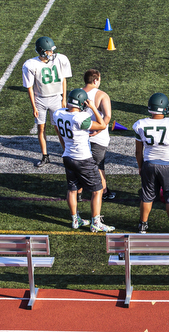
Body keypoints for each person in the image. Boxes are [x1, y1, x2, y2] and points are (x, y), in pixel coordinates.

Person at [53, 87, 113, 232]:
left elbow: (58, 131)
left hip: (68, 156)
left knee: (72, 189)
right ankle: (96, 222)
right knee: (98, 189)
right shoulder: (81, 118)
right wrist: (93, 108)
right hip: (83, 158)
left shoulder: (58, 113)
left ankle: (75, 220)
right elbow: (102, 125)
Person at [133, 92, 169, 234]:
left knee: (147, 197)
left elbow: (138, 152)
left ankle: (142, 226)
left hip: (149, 163)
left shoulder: (140, 124)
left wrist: (140, 166)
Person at [22, 36, 72, 168]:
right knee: (41, 128)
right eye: (49, 51)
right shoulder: (31, 65)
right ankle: (45, 156)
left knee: (59, 128)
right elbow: (30, 87)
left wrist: (64, 98)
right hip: (40, 99)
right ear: (42, 51)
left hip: (56, 98)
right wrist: (34, 106)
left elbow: (64, 79)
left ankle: (66, 154)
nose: (52, 53)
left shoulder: (60, 59)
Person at [83, 69, 115, 201]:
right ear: (95, 80)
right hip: (97, 138)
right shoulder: (101, 95)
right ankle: (104, 191)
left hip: (81, 136)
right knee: (98, 166)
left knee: (81, 164)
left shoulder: (76, 93)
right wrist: (99, 130)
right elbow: (107, 116)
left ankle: (78, 191)